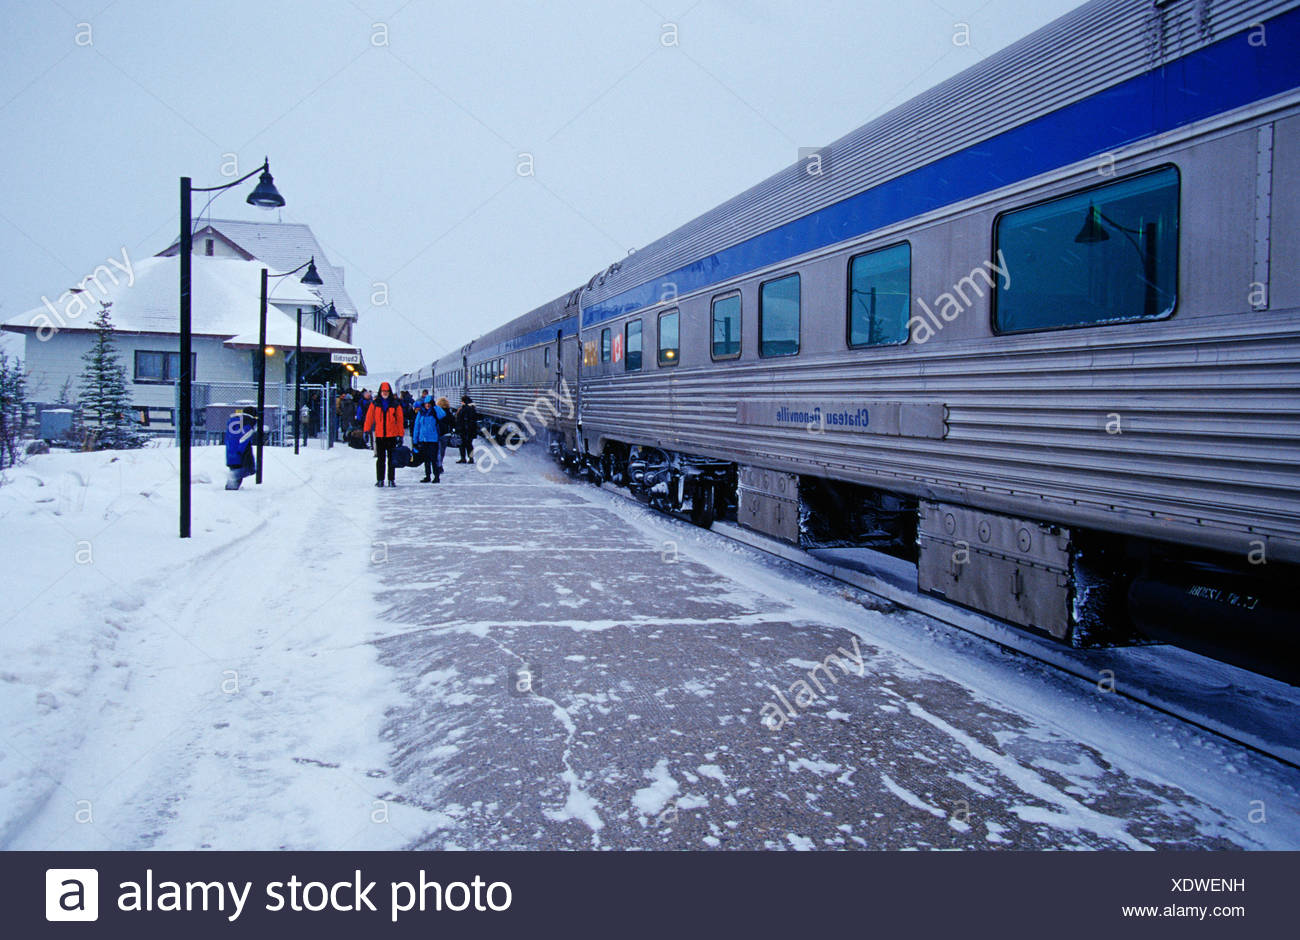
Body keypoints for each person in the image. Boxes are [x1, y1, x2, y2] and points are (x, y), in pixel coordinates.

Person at [364, 382, 405, 487]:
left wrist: (400, 435)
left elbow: (400, 421)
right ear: (380, 392)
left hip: (391, 436)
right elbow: (369, 418)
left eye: (386, 391)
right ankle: (380, 480)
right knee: (381, 459)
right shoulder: (375, 404)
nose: (385, 393)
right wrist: (366, 431)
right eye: (383, 391)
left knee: (392, 459)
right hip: (380, 436)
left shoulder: (395, 404)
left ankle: (391, 480)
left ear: (389, 392)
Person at [223, 407, 257, 490]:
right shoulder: (247, 422)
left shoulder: (234, 422)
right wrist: (241, 451)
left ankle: (231, 484)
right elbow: (244, 438)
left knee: (235, 468)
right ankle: (232, 484)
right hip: (240, 452)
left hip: (230, 451)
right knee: (246, 469)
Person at [412, 395, 440, 483]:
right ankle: (427, 476)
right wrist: (415, 440)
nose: (427, 405)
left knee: (434, 459)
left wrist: (435, 407)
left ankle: (436, 476)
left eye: (429, 403)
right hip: (423, 439)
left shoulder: (435, 412)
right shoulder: (421, 413)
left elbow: (442, 415)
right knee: (426, 459)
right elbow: (417, 426)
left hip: (433, 439)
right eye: (426, 404)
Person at [455, 395, 478, 464]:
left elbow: (461, 419)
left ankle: (464, 458)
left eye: (462, 401)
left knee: (463, 444)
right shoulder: (472, 408)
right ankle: (470, 458)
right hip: (469, 430)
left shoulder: (465, 408)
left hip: (464, 430)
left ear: (464, 401)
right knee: (469, 444)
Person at [436, 396, 454, 475]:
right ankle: (440, 464)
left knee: (437, 451)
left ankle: (438, 466)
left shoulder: (437, 413)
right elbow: (453, 422)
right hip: (446, 434)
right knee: (442, 451)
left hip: (438, 433)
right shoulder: (449, 413)